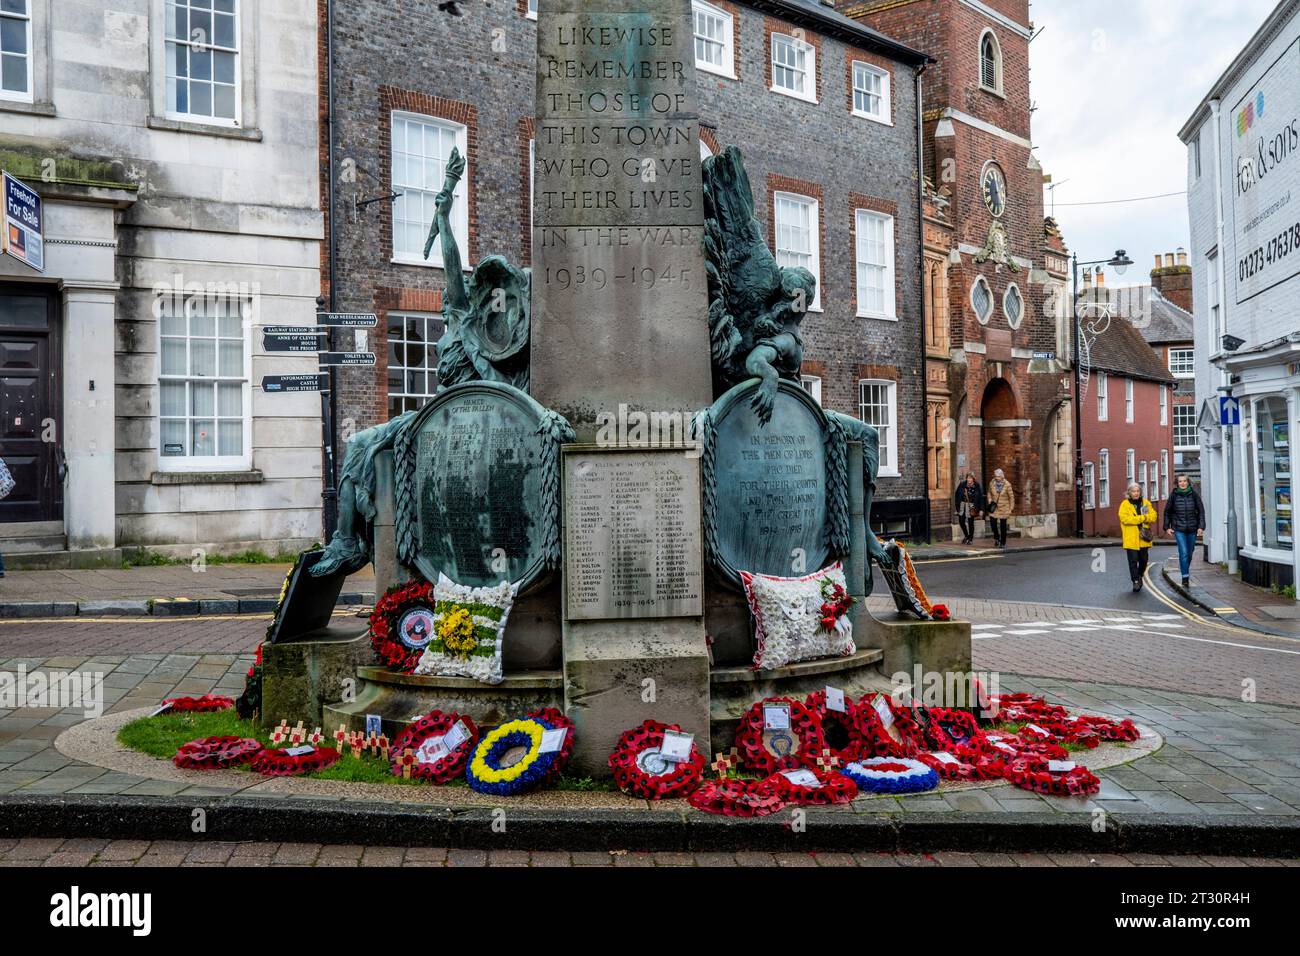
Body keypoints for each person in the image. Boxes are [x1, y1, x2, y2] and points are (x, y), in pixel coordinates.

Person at [1163, 473, 1206, 586]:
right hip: (1179, 529)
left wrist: (1201, 527)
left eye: (1184, 481)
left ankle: (1185, 570)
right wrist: (1167, 527)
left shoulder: (1194, 495)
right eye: (1180, 481)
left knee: (1190, 553)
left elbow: (1201, 511)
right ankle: (1185, 577)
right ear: (1177, 484)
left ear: (1188, 482)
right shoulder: (1173, 496)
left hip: (1192, 528)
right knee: (1184, 553)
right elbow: (1167, 512)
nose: (1182, 483)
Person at [1118, 482, 1157, 592]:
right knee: (1133, 561)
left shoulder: (1145, 503)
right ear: (1129, 492)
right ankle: (1135, 581)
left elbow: (1153, 516)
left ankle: (1139, 575)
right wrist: (1142, 518)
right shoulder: (1124, 504)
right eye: (1133, 491)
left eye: (1137, 491)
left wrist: (1143, 518)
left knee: (1144, 560)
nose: (1136, 493)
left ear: (1140, 492)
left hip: (1143, 537)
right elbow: (1125, 519)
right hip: (1131, 538)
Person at [985, 468, 1015, 548]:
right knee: (993, 524)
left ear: (1002, 476)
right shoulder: (992, 483)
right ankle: (997, 538)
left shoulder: (1007, 485)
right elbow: (989, 493)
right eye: (995, 476)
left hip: (1004, 508)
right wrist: (990, 500)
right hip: (994, 507)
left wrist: (1011, 508)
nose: (996, 478)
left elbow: (1011, 497)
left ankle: (1003, 542)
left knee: (1003, 526)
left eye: (998, 476)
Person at [953, 473, 985, 545]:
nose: (969, 479)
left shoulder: (977, 486)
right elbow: (957, 495)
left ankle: (970, 538)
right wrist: (957, 506)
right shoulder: (962, 484)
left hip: (972, 506)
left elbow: (981, 498)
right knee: (961, 520)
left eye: (970, 478)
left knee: (971, 522)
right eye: (968, 478)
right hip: (962, 505)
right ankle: (966, 536)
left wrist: (981, 509)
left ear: (973, 478)